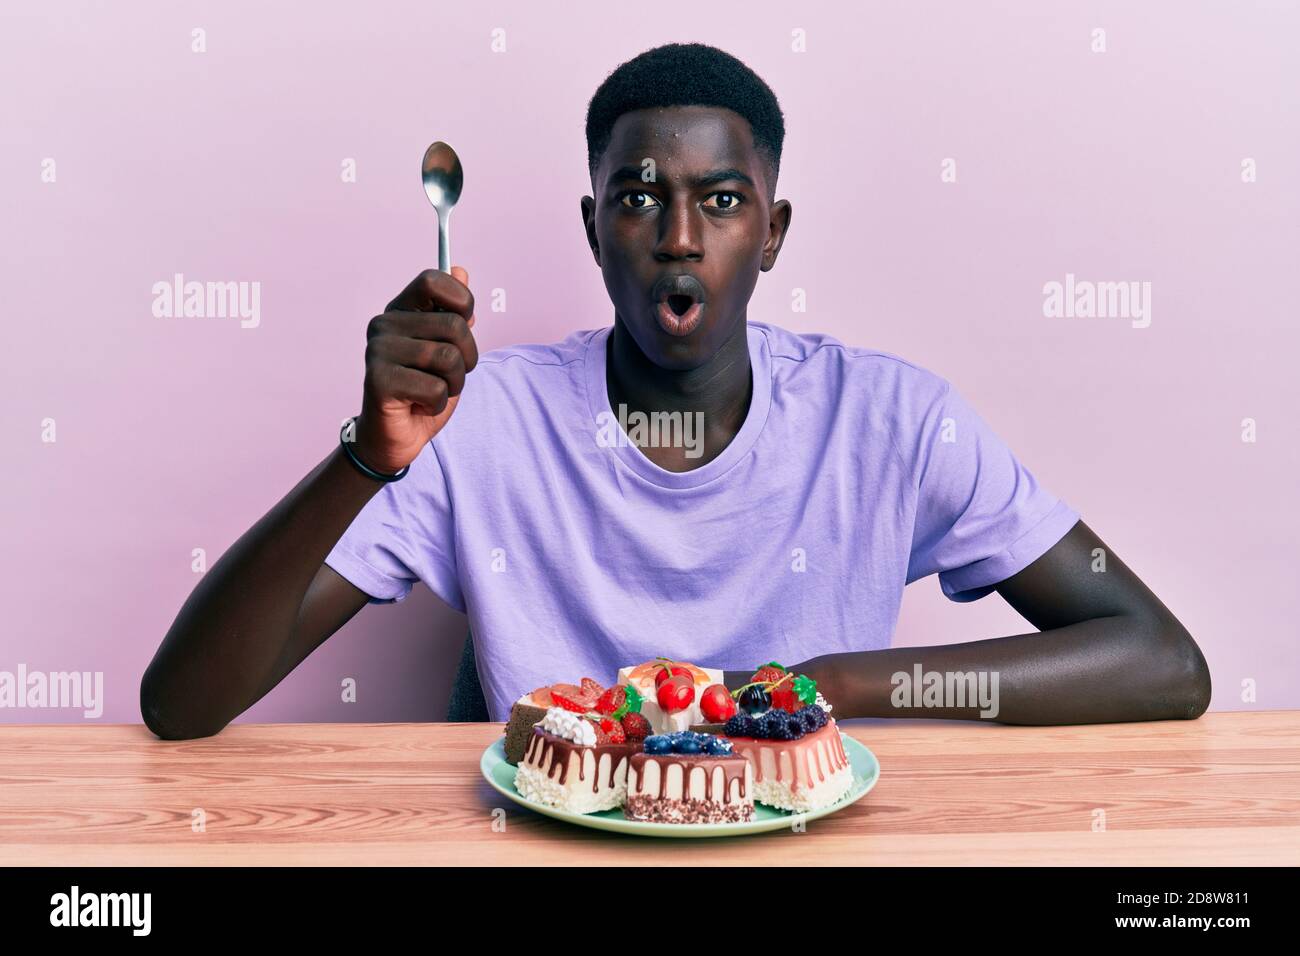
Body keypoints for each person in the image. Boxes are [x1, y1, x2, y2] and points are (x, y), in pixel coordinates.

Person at [141, 43, 1210, 738]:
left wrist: (830, 683)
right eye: (640, 197)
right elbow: (181, 704)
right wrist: (367, 455)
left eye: (724, 200)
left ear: (772, 234)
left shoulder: (892, 422)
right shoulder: (480, 422)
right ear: (593, 228)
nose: (681, 236)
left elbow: (1159, 659)